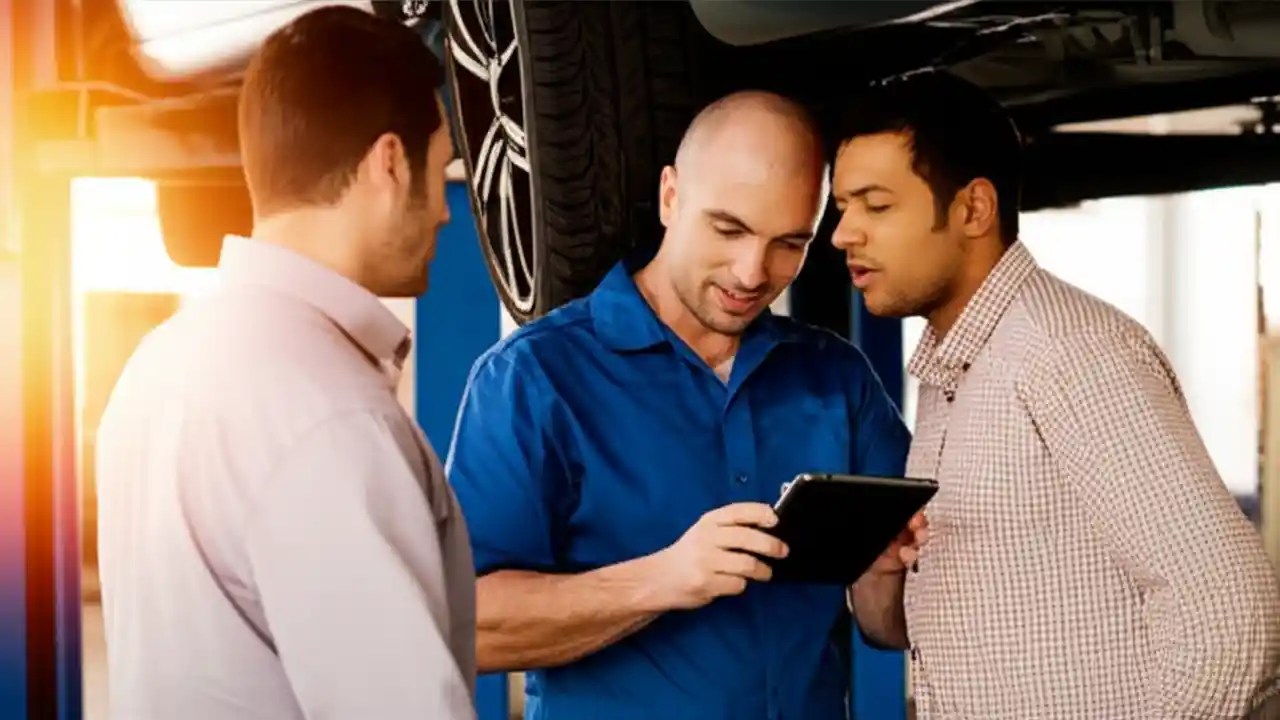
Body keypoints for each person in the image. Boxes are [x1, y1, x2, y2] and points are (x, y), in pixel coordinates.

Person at [444, 89, 924, 720]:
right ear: (671, 196)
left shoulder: (837, 378)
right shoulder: (533, 378)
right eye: (729, 229)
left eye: (789, 243)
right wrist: (663, 579)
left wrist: (884, 573)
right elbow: (469, 628)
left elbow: (887, 628)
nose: (752, 272)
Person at [830, 69, 1280, 719]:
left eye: (876, 206)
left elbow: (1229, 614)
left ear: (973, 209)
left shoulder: (1069, 354)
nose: (844, 234)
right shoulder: (954, 370)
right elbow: (947, 632)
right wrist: (881, 572)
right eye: (842, 208)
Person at [94, 7, 476, 719]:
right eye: (441, 164)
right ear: (390, 164)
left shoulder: (155, 367)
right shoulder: (331, 416)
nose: (446, 212)